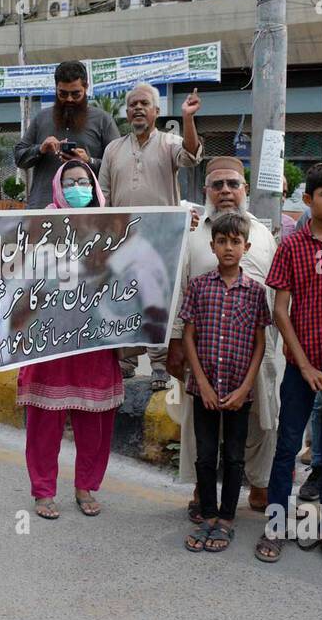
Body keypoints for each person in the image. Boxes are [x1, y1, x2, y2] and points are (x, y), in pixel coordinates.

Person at [167, 158, 281, 516]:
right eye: (218, 185)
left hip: (257, 349)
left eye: (233, 184)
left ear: (245, 188)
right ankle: (204, 490)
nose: (226, 191)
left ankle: (259, 485)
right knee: (201, 422)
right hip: (205, 351)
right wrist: (174, 344)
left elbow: (277, 293)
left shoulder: (263, 235)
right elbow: (181, 291)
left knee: (263, 418)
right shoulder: (195, 237)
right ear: (207, 192)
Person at [255, 162, 322, 567]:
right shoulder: (292, 246)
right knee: (288, 445)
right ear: (308, 200)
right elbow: (281, 311)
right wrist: (304, 362)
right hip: (302, 366)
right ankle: (277, 524)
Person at [15, 161, 124, 519]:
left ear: (95, 186)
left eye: (84, 182)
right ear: (59, 188)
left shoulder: (116, 226)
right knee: (45, 423)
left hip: (94, 339)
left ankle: (85, 486)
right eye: (70, 182)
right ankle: (43, 491)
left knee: (94, 421)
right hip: (51, 339)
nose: (79, 188)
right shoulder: (39, 226)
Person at [98, 82, 203, 388]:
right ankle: (127, 361)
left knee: (156, 301)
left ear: (157, 111)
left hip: (160, 240)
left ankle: (159, 364)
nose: (138, 109)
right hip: (122, 239)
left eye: (145, 103)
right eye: (133, 105)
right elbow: (103, 194)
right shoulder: (113, 149)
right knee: (124, 300)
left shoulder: (169, 143)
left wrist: (188, 119)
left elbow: (192, 156)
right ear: (127, 112)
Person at [180, 212, 270, 553]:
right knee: (205, 455)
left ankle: (227, 519)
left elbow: (260, 341)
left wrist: (246, 387)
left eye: (235, 242)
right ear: (212, 246)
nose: (229, 248)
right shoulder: (200, 286)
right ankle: (207, 515)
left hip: (237, 390)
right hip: (204, 389)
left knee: (234, 457)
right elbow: (189, 335)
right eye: (222, 241)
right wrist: (200, 381)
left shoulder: (255, 292)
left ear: (246, 247)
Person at [13, 60, 122, 209]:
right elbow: (19, 157)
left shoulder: (103, 120)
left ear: (86, 88)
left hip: (87, 213)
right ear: (56, 89)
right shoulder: (41, 118)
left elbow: (118, 167)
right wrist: (40, 149)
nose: (69, 99)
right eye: (63, 94)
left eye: (76, 94)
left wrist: (88, 161)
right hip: (44, 209)